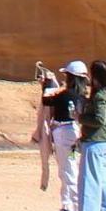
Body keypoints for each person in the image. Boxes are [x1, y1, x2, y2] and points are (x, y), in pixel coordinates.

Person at [75, 61, 106, 211]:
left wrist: (80, 117)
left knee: (90, 180)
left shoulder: (100, 96)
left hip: (95, 142)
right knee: (104, 181)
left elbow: (100, 120)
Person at [48, 59, 88, 211]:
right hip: (73, 135)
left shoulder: (64, 95)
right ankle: (68, 207)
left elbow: (47, 100)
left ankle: (74, 210)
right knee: (68, 168)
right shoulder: (82, 97)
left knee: (68, 170)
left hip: (64, 135)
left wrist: (48, 84)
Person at [33, 63, 62, 192]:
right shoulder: (52, 95)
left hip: (64, 135)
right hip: (62, 134)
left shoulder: (58, 94)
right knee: (68, 164)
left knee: (69, 163)